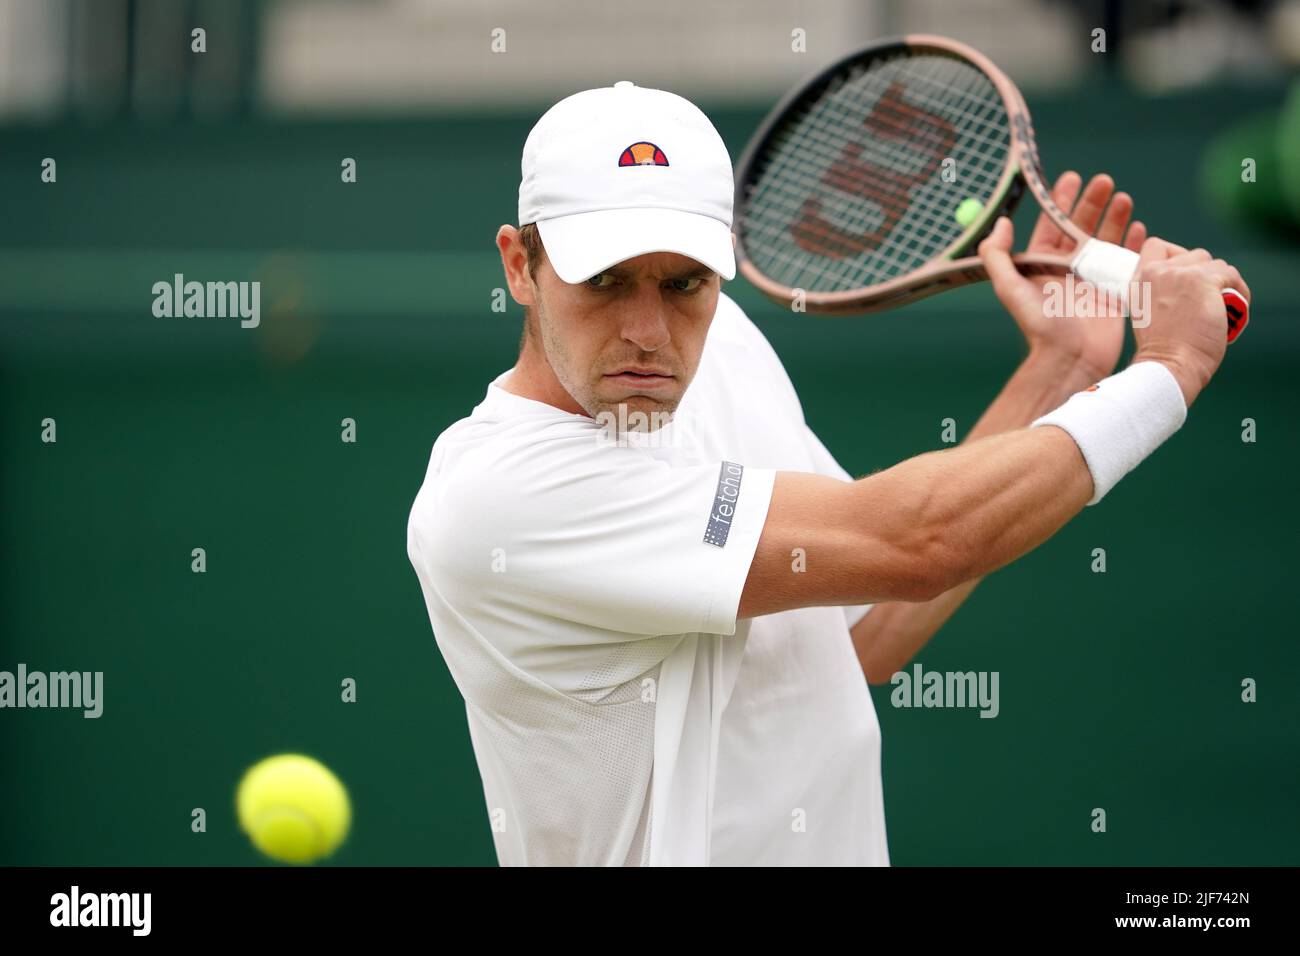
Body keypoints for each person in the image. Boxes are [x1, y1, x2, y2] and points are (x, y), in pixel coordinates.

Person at [406, 81, 1248, 866]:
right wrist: (1169, 368)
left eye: (684, 282)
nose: (649, 331)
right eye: (605, 281)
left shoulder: (725, 342)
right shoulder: (497, 500)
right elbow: (916, 540)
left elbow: (865, 629)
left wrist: (1059, 374)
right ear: (520, 265)